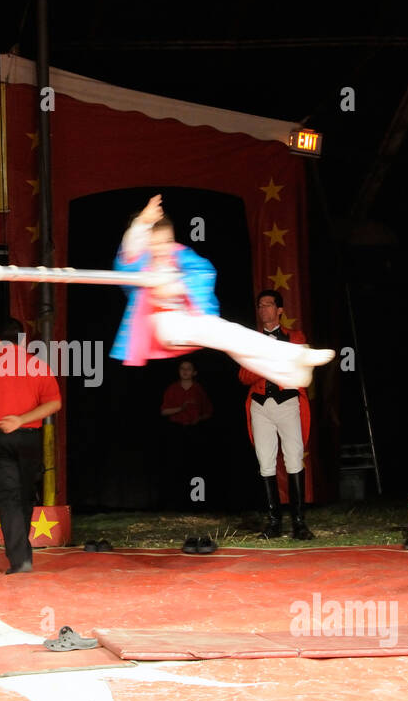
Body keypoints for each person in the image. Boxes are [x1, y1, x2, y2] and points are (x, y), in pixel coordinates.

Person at [110, 194, 333, 389]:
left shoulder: (178, 256)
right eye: (155, 243)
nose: (162, 247)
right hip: (165, 326)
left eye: (167, 241)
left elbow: (203, 270)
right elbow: (129, 252)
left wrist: (180, 285)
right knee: (229, 336)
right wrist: (142, 223)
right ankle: (297, 354)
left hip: (190, 321)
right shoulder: (140, 261)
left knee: (234, 342)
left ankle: (291, 375)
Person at [0, 320, 62, 575]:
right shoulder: (37, 365)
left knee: (9, 499)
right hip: (29, 438)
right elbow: (54, 404)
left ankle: (20, 559)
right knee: (24, 497)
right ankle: (21, 555)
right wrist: (22, 420)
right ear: (23, 340)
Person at [240, 290, 314, 539]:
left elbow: (298, 368)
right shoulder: (251, 340)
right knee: (265, 461)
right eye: (260, 305)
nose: (263, 309)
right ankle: (274, 522)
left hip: (288, 402)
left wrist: (264, 362)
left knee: (294, 458)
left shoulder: (295, 336)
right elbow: (244, 376)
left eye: (268, 305)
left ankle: (299, 523)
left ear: (279, 310)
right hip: (260, 405)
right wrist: (270, 363)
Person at [160, 359, 213, 510]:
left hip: (194, 430)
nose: (185, 371)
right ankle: (176, 502)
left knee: (195, 465)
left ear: (194, 372)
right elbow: (163, 411)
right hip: (176, 431)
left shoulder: (198, 389)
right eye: (182, 368)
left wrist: (199, 419)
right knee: (175, 465)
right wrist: (181, 408)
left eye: (188, 368)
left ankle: (196, 502)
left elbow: (208, 411)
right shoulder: (172, 389)